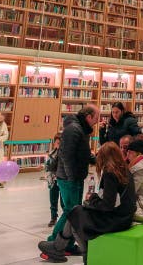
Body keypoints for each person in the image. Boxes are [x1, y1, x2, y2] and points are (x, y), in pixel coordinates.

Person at [38, 142, 136, 263]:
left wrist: (91, 202)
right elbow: (114, 199)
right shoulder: (124, 170)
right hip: (124, 217)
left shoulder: (110, 173)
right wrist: (94, 200)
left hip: (115, 219)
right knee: (76, 213)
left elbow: (108, 205)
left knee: (76, 216)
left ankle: (82, 253)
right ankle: (59, 248)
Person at [45, 105, 99, 257]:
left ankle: (66, 244)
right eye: (96, 118)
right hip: (69, 178)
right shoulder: (73, 129)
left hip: (76, 176)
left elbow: (83, 153)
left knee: (75, 211)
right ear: (88, 117)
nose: (97, 121)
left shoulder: (82, 129)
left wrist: (96, 160)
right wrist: (71, 177)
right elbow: (66, 156)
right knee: (71, 212)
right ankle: (53, 243)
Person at [45, 133, 62, 226]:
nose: (59, 145)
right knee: (53, 200)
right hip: (53, 180)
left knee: (63, 201)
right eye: (57, 143)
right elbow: (48, 166)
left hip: (62, 180)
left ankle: (65, 218)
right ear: (54, 143)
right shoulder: (51, 154)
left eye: (61, 143)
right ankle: (53, 217)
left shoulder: (64, 155)